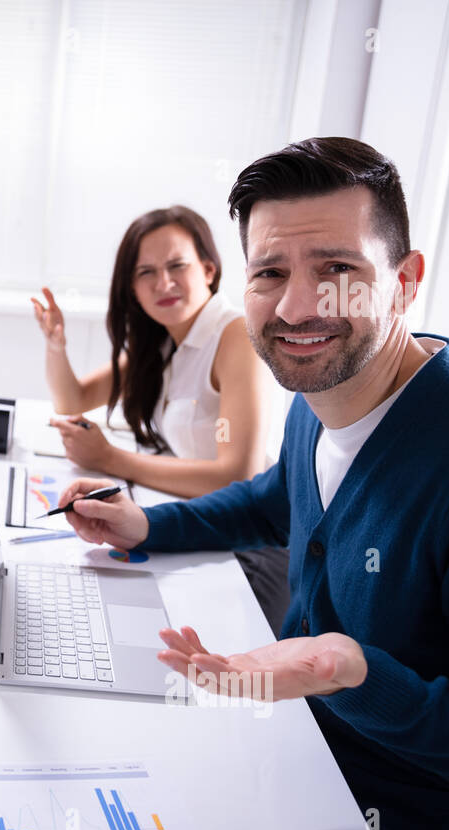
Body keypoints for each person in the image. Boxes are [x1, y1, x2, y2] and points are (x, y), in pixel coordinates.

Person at [56, 137, 449, 830]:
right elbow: (274, 500)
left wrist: (358, 675)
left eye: (337, 269)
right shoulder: (320, 397)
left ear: (404, 281)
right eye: (270, 272)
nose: (298, 307)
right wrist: (148, 524)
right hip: (302, 769)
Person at [31, 206, 289, 632]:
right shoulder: (166, 342)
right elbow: (72, 398)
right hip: (190, 527)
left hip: (246, 548)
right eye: (145, 272)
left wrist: (111, 459)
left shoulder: (235, 337)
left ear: (208, 269)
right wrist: (56, 345)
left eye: (176, 266)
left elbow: (238, 476)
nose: (163, 283)